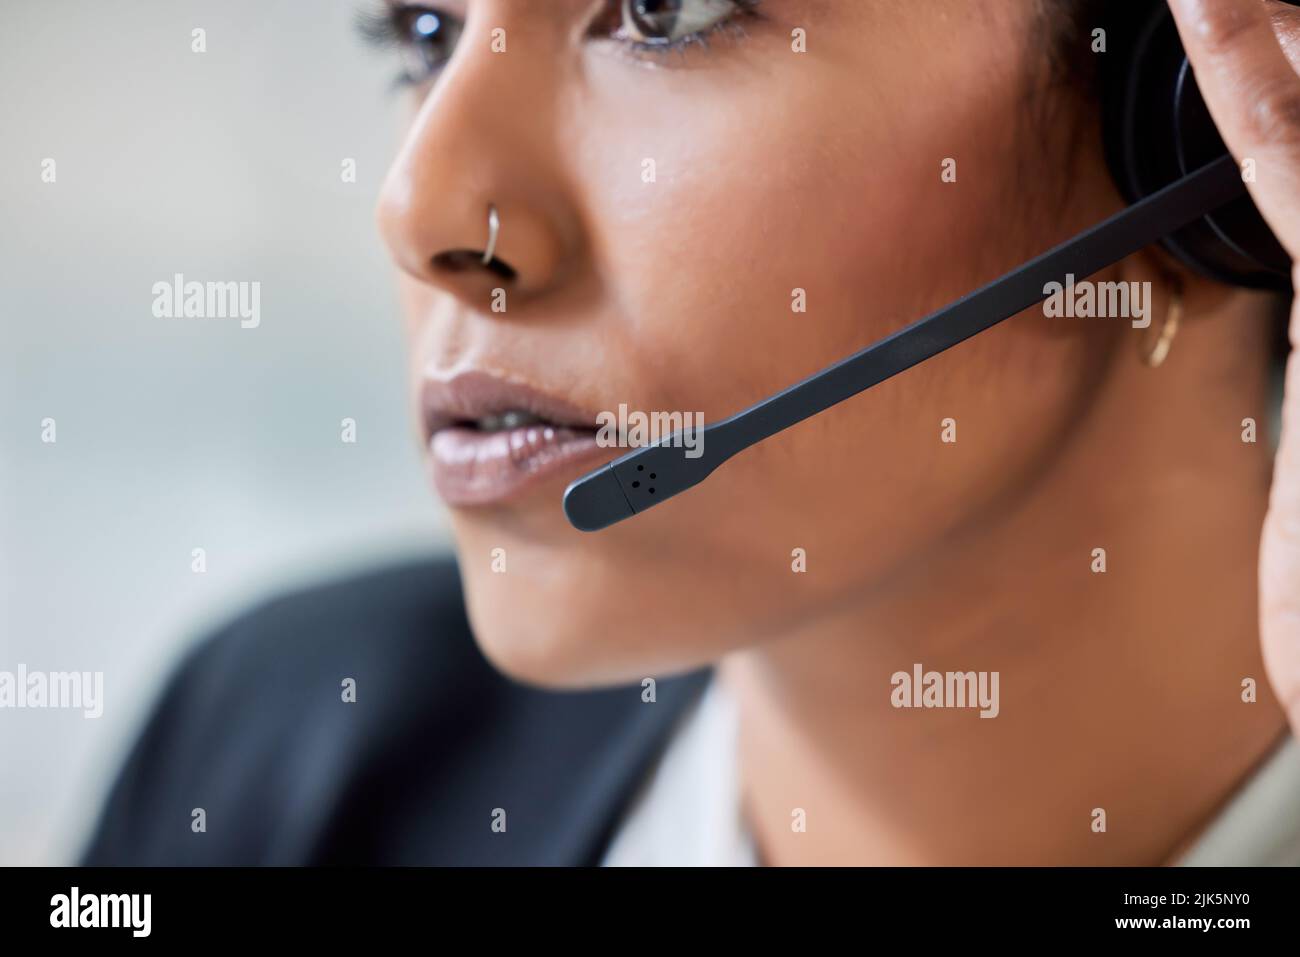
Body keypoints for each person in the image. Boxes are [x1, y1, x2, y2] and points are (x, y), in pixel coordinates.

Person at [84, 0, 1300, 866]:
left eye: (664, 14)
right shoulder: (279, 754)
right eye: (422, 32)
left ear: (1203, 146)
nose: (421, 204)